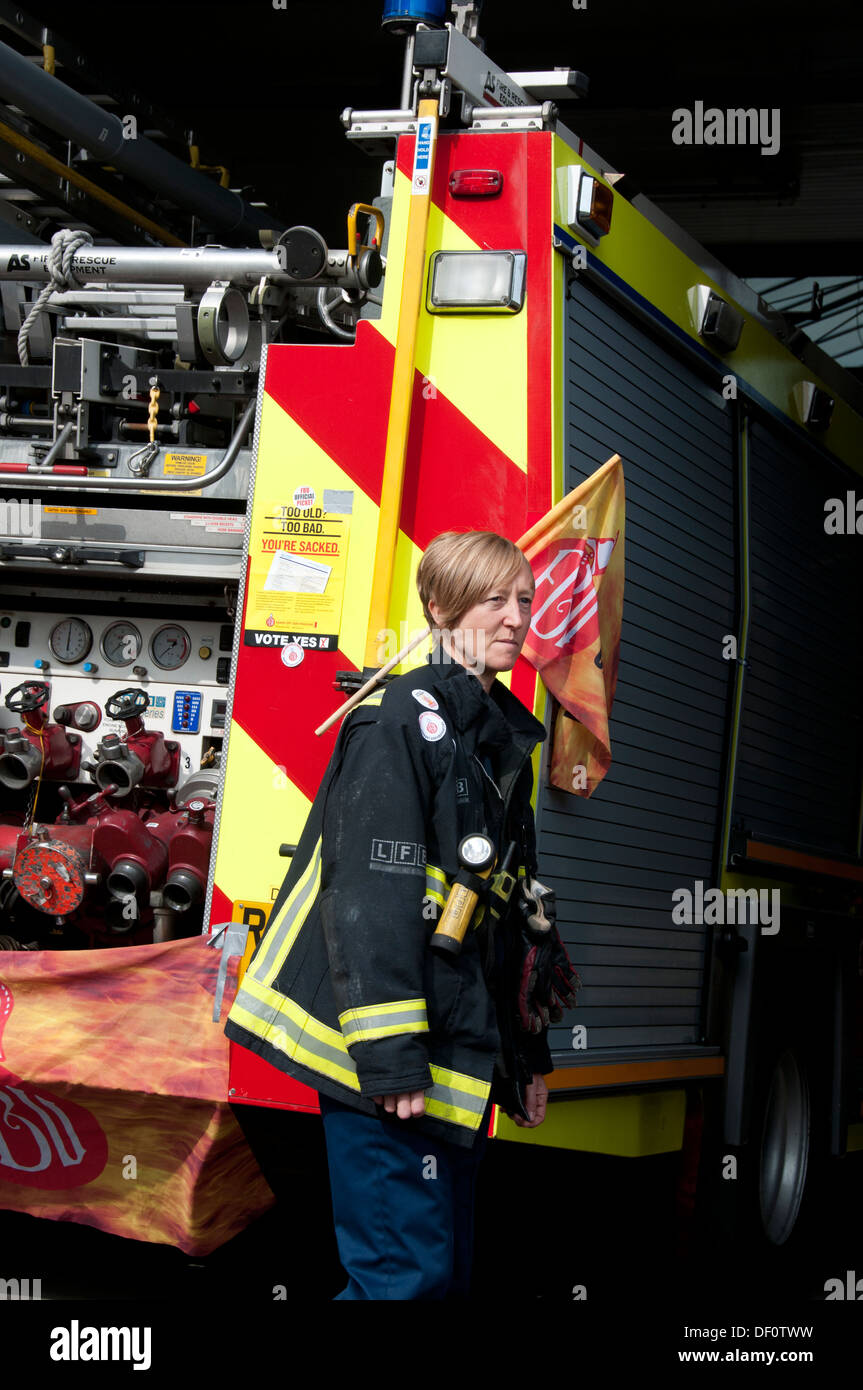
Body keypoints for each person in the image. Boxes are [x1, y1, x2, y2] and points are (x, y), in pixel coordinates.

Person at [225, 530, 580, 1299]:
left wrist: (528, 1060)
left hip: (451, 1056)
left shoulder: (493, 742)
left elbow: (516, 914)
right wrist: (387, 1055)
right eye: (492, 599)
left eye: (522, 598)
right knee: (400, 1282)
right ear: (439, 608)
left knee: (437, 1277)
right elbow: (368, 895)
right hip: (386, 1067)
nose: (515, 617)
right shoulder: (396, 722)